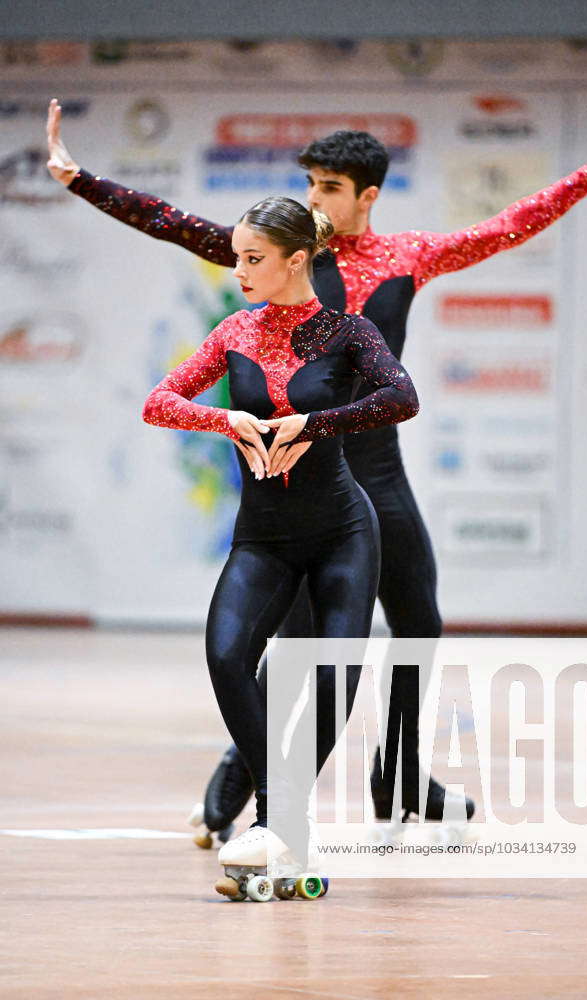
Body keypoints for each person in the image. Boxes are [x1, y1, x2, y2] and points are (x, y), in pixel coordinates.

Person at [46, 101, 587, 837]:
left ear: (366, 196)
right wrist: (76, 178)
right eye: (311, 184)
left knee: (418, 620)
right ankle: (240, 778)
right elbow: (175, 222)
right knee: (292, 646)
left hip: (376, 474)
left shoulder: (406, 255)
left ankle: (403, 777)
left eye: (327, 187)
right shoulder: (287, 255)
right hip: (302, 484)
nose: (313, 199)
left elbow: (506, 225)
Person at [141, 193, 419, 867]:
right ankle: (279, 815)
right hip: (262, 534)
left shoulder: (350, 333)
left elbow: (401, 398)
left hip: (342, 532)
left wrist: (316, 423)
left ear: (296, 260)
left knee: (331, 677)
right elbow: (159, 401)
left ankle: (273, 820)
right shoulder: (233, 331)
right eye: (237, 257)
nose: (238, 270)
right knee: (227, 656)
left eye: (253, 258)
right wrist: (225, 420)